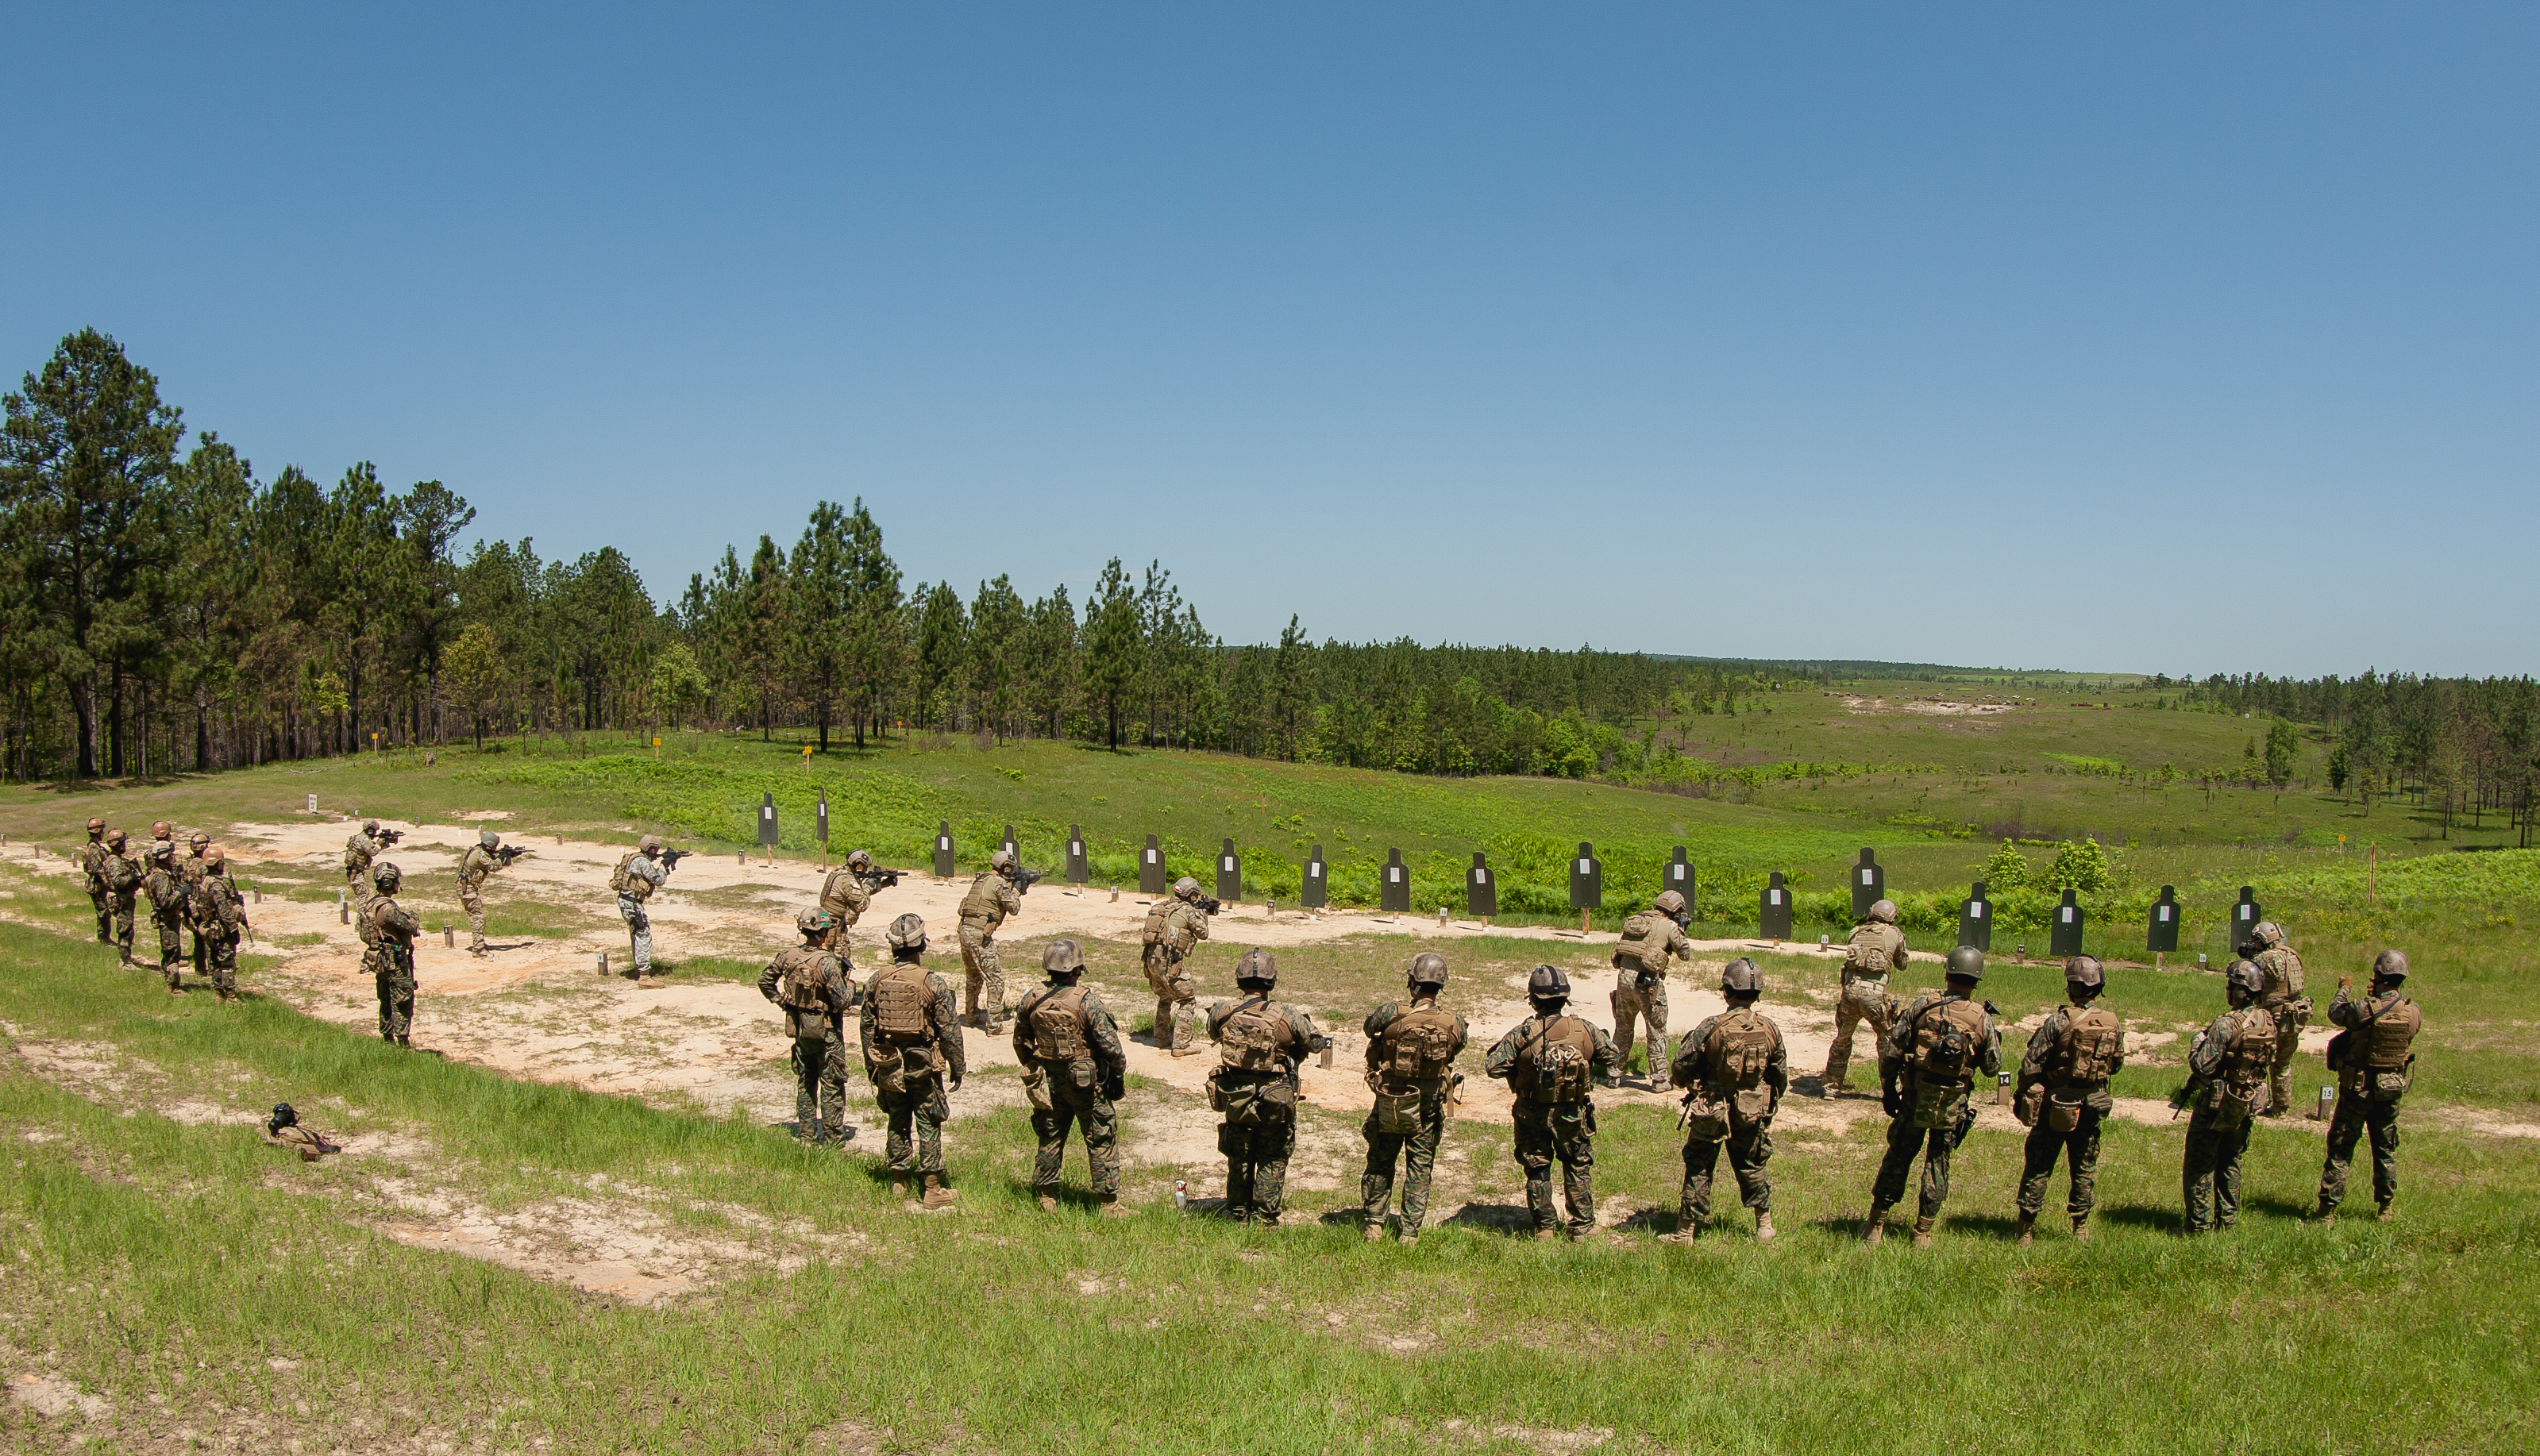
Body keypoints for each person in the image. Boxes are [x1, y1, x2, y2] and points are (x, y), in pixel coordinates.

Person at [1864, 946, 2001, 1248]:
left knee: (1898, 1158)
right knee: (1938, 1164)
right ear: (1977, 981)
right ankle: (1922, 1232)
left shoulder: (1922, 1006)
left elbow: (1892, 1051)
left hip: (1914, 1099)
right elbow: (1993, 1068)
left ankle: (1875, 1226)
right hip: (1952, 1107)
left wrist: (1889, 1091)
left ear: (1947, 974)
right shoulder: (1981, 1018)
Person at [1485, 965, 1621, 1241]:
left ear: (1533, 1000)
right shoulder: (1584, 1029)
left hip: (1532, 1111)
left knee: (1537, 1166)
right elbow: (1612, 1056)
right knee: (1577, 1163)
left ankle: (1544, 1227)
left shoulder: (1523, 1033)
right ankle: (1583, 1227)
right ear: (1565, 999)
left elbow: (1493, 1066)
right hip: (1572, 1111)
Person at [1664, 957, 1787, 1244]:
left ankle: (1685, 1232)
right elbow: (1779, 1074)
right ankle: (1764, 1226)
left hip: (1711, 1107)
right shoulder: (1770, 1028)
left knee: (1699, 1165)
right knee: (1752, 1162)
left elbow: (1681, 1066)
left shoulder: (1711, 1026)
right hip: (1751, 1107)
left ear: (1727, 991)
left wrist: (1695, 1085)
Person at [1204, 949, 1328, 1229]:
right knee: (1273, 1156)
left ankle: (1237, 1211)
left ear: (1239, 978)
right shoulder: (1287, 1015)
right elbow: (1316, 1044)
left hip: (1237, 1095)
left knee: (1239, 1154)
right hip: (1276, 1095)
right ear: (1272, 981)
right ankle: (1265, 1217)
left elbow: (1212, 1031)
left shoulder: (1223, 1011)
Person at [2014, 956, 2126, 1246]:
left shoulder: (2058, 1022)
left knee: (2039, 1166)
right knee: (2084, 1167)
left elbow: (2030, 1065)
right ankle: (2081, 1227)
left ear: (2070, 987)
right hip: (2091, 1105)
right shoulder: (2113, 1023)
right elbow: (2115, 1066)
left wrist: (2024, 1092)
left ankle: (2026, 1229)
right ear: (2098, 987)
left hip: (2055, 1104)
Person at [1012, 938, 1127, 1216]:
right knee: (1100, 1137)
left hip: (1050, 1082)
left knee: (1051, 1135)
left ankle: (1046, 1195)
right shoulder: (1086, 1001)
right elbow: (1111, 1046)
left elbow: (1020, 1039)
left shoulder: (1031, 998)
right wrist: (1117, 1076)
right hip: (1086, 1085)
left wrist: (1033, 1066)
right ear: (1077, 970)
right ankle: (1108, 1203)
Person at [1360, 952, 1468, 1246]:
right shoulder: (1453, 1021)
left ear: (1412, 982)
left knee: (1381, 1160)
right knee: (1420, 1166)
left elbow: (1370, 1028)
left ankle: (1374, 1225)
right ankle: (1409, 1232)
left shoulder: (1391, 1013)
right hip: (1428, 1104)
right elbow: (1458, 1046)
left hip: (1390, 1099)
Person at [2311, 950, 2424, 1226]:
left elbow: (2337, 1013)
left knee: (2341, 1147)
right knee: (2386, 1148)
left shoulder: (2364, 1008)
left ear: (2379, 976)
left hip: (2358, 1090)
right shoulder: (2413, 1013)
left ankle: (2326, 1213)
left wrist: (2344, 989)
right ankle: (2386, 1209)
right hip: (2390, 1089)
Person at [862, 913, 966, 1205]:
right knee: (929, 1119)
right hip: (923, 1063)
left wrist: (872, 1066)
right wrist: (957, 1065)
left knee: (897, 1118)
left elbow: (866, 1028)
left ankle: (899, 1181)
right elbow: (949, 1030)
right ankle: (932, 1188)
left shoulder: (876, 980)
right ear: (921, 946)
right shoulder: (932, 982)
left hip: (889, 1061)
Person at [2180, 960, 2278, 1235]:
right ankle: (2228, 1221)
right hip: (2245, 1103)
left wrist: (2196, 1042)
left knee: (2200, 1164)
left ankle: (2198, 1226)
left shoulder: (2225, 1025)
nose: (2227, 991)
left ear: (2240, 992)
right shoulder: (2268, 1021)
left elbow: (2203, 1065)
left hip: (2216, 1105)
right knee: (2231, 1161)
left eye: (2230, 987)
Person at [758, 910, 854, 1146]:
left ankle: (807, 1135)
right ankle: (834, 1140)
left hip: (800, 1030)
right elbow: (842, 1001)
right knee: (832, 1085)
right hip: (827, 1032)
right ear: (823, 932)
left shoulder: (788, 956)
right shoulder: (828, 963)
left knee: (806, 1082)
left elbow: (765, 980)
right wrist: (850, 985)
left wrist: (781, 1001)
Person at [1824, 899, 1908, 1096]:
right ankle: (1890, 1089)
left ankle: (1830, 1088)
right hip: (1874, 997)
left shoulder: (1855, 932)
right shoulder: (1894, 934)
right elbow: (1902, 965)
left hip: (1850, 994)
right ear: (1893, 917)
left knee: (1842, 1040)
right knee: (1886, 1040)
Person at [1611, 889, 1694, 1085]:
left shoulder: (1637, 921)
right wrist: (1680, 930)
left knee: (1623, 1029)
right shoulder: (1669, 926)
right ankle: (1659, 1080)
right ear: (1674, 910)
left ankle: (1614, 1074)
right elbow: (1685, 954)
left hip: (1623, 980)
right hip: (1647, 984)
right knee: (1656, 1030)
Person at [2242, 922, 2308, 1117]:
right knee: (2282, 1064)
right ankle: (2281, 1107)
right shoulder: (2291, 954)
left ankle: (2254, 1105)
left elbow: (2249, 967)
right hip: (2293, 1015)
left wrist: (2248, 951)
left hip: (2273, 1016)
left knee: (2258, 1060)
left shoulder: (2265, 958)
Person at [1142, 876, 1213, 1054]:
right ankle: (1181, 1044)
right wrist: (1202, 912)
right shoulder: (1188, 910)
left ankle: (1161, 1037)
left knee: (1165, 997)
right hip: (1169, 961)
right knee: (1187, 1000)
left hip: (1150, 961)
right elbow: (1203, 933)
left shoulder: (1160, 907)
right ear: (1190, 895)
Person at [957, 848, 1025, 1031]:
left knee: (973, 977)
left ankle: (970, 1016)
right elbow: (1013, 908)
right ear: (1006, 868)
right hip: (980, 934)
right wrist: (1017, 890)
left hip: (965, 931)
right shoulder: (998, 883)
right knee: (995, 980)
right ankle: (994, 1024)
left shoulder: (981, 880)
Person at [365, 863, 422, 1047]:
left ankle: (387, 1038)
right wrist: (413, 917)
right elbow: (410, 926)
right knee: (403, 999)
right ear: (390, 882)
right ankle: (403, 1042)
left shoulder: (371, 903)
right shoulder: (387, 908)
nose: (398, 884)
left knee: (386, 999)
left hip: (380, 959)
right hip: (395, 960)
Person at [186, 845, 249, 1003]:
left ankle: (218, 993)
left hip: (210, 927)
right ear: (218, 864)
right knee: (226, 961)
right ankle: (230, 995)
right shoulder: (216, 885)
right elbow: (223, 909)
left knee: (214, 960)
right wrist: (233, 929)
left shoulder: (205, 881)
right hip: (220, 928)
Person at [611, 836, 670, 980]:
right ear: (651, 849)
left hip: (626, 901)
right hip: (632, 904)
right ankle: (644, 975)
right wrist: (663, 866)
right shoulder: (642, 861)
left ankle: (639, 969)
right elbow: (658, 879)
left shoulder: (632, 857)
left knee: (636, 933)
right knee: (643, 935)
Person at [141, 840, 190, 992]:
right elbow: (165, 903)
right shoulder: (160, 877)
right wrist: (179, 893)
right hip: (167, 919)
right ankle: (173, 986)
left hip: (170, 918)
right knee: (172, 952)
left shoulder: (163, 874)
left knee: (171, 951)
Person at [817, 849, 878, 964]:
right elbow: (861, 905)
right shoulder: (847, 880)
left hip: (828, 924)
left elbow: (857, 894)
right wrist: (869, 886)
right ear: (859, 866)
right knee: (841, 964)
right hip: (835, 930)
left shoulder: (839, 872)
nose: (866, 870)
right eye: (865, 867)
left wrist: (882, 884)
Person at [456, 830, 506, 957]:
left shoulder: (478, 850)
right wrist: (503, 858)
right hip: (467, 888)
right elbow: (494, 867)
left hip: (467, 886)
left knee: (477, 915)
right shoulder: (480, 855)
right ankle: (478, 949)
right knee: (478, 917)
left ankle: (479, 944)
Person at [100, 829, 142, 965]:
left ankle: (127, 957)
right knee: (125, 930)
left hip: (125, 898)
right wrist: (132, 878)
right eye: (123, 843)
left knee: (128, 928)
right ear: (118, 844)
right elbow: (117, 881)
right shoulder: (114, 861)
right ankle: (125, 961)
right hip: (121, 899)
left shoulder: (118, 860)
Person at [76, 818, 114, 943]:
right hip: (97, 884)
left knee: (104, 911)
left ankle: (104, 938)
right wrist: (109, 883)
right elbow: (97, 869)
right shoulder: (93, 849)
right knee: (103, 912)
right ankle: (104, 939)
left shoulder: (96, 847)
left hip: (98, 883)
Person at [344, 819, 386, 889]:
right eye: (374, 830)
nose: (375, 833)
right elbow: (373, 852)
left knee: (363, 892)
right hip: (356, 871)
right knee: (363, 894)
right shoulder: (364, 839)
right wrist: (379, 845)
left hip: (355, 869)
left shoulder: (360, 837)